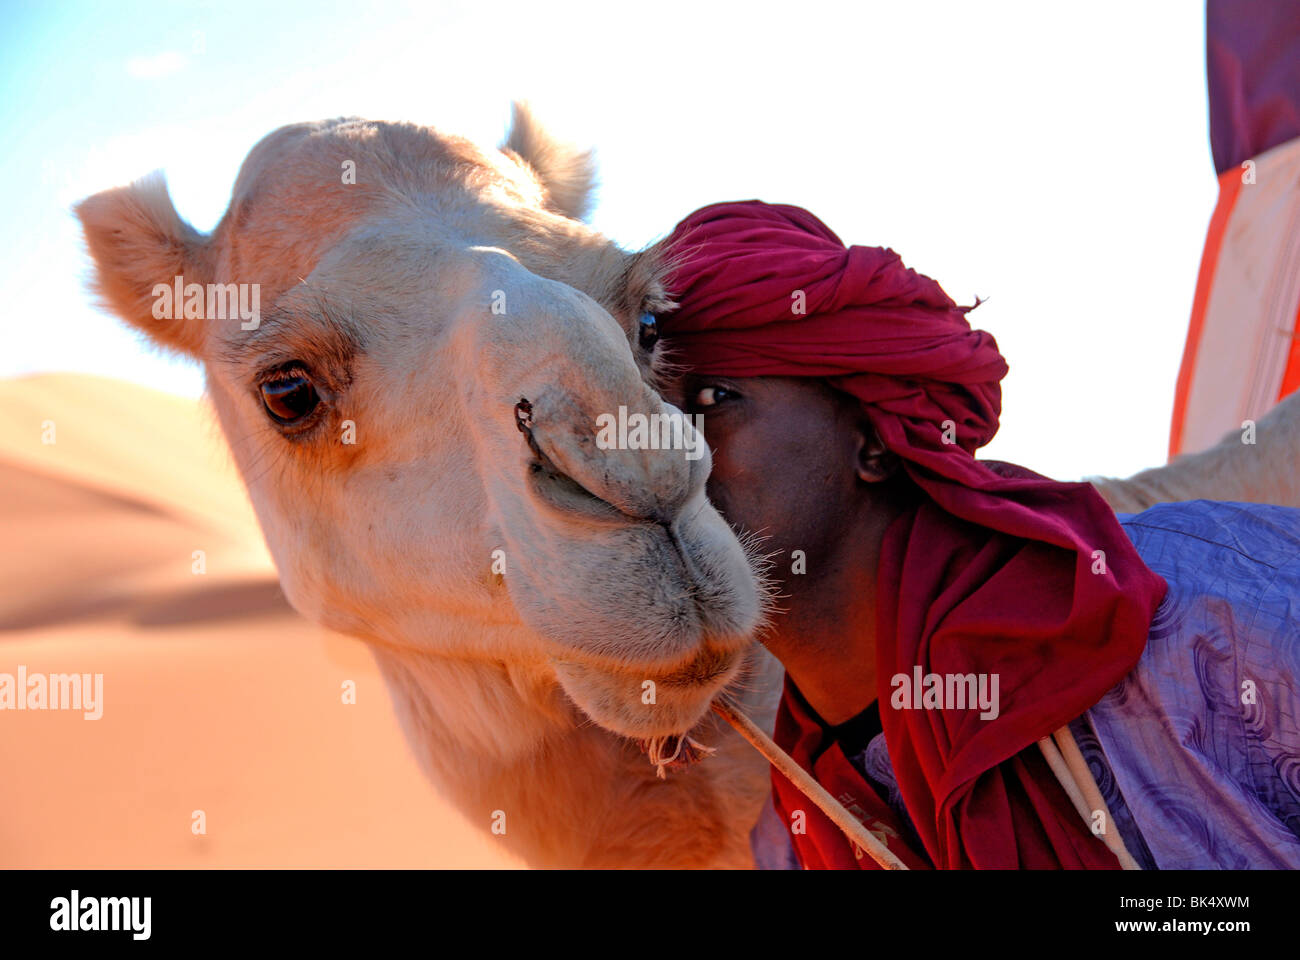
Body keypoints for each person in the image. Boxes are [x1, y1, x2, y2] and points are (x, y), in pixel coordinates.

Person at [658, 200, 1300, 869]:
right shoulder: (801, 831)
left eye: (708, 402)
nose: (659, 456)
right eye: (648, 415)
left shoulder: (1209, 609)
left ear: (876, 439)